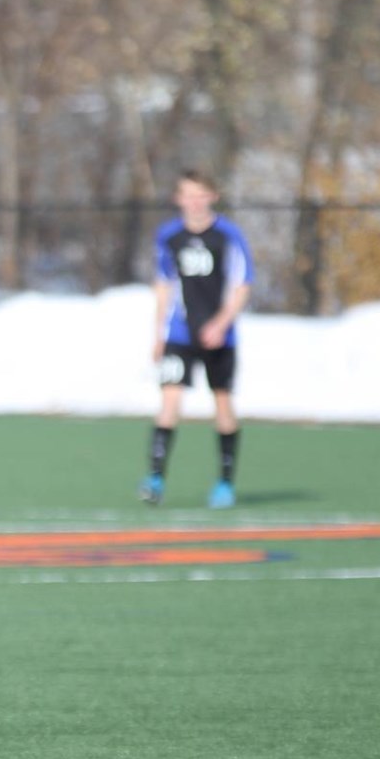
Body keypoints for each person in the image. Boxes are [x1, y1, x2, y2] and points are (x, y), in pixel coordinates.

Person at [139, 170, 253, 509]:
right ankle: (155, 478)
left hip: (220, 337)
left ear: (213, 196)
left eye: (201, 194)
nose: (195, 202)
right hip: (180, 333)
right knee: (169, 401)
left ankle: (225, 483)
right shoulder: (169, 236)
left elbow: (242, 284)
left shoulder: (228, 235)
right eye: (188, 195)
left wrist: (221, 324)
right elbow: (163, 284)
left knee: (223, 404)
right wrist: (158, 334)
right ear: (178, 199)